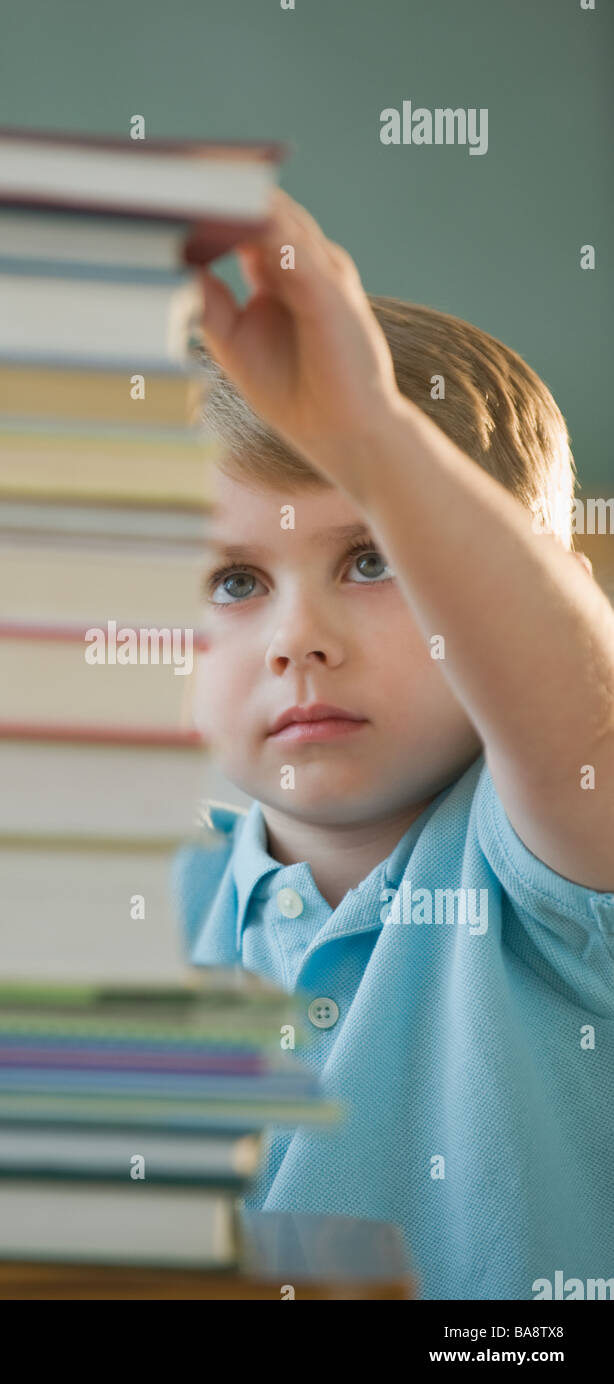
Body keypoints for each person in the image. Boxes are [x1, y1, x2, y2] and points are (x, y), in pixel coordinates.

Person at [172, 189, 614, 1300]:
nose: (295, 642)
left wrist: (370, 430)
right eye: (234, 581)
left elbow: (574, 708)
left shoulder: (553, 869)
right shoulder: (156, 909)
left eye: (367, 559)